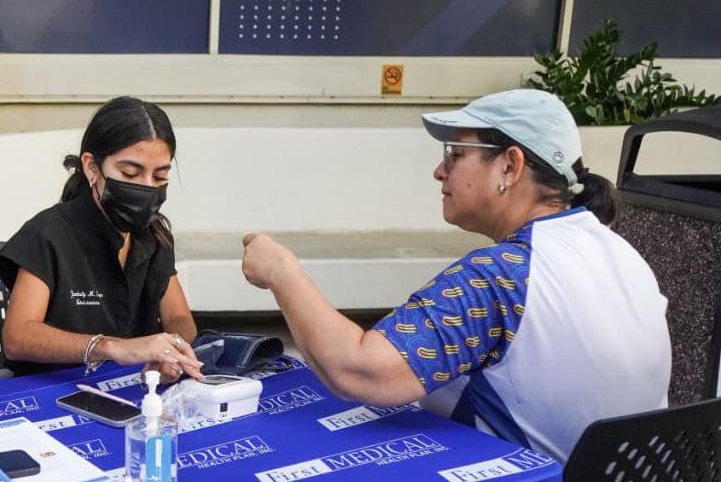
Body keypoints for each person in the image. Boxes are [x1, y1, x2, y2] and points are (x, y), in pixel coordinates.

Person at [240, 89, 670, 462]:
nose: (440, 171)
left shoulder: (501, 277)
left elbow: (360, 371)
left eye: (456, 155)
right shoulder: (620, 252)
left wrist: (282, 272)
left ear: (510, 166)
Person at [0, 96, 204, 380]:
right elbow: (18, 338)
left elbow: (180, 318)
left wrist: (172, 349)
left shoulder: (154, 235)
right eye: (131, 173)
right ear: (92, 167)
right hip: (48, 390)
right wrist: (111, 348)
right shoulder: (49, 235)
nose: (146, 189)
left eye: (160, 178)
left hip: (129, 390)